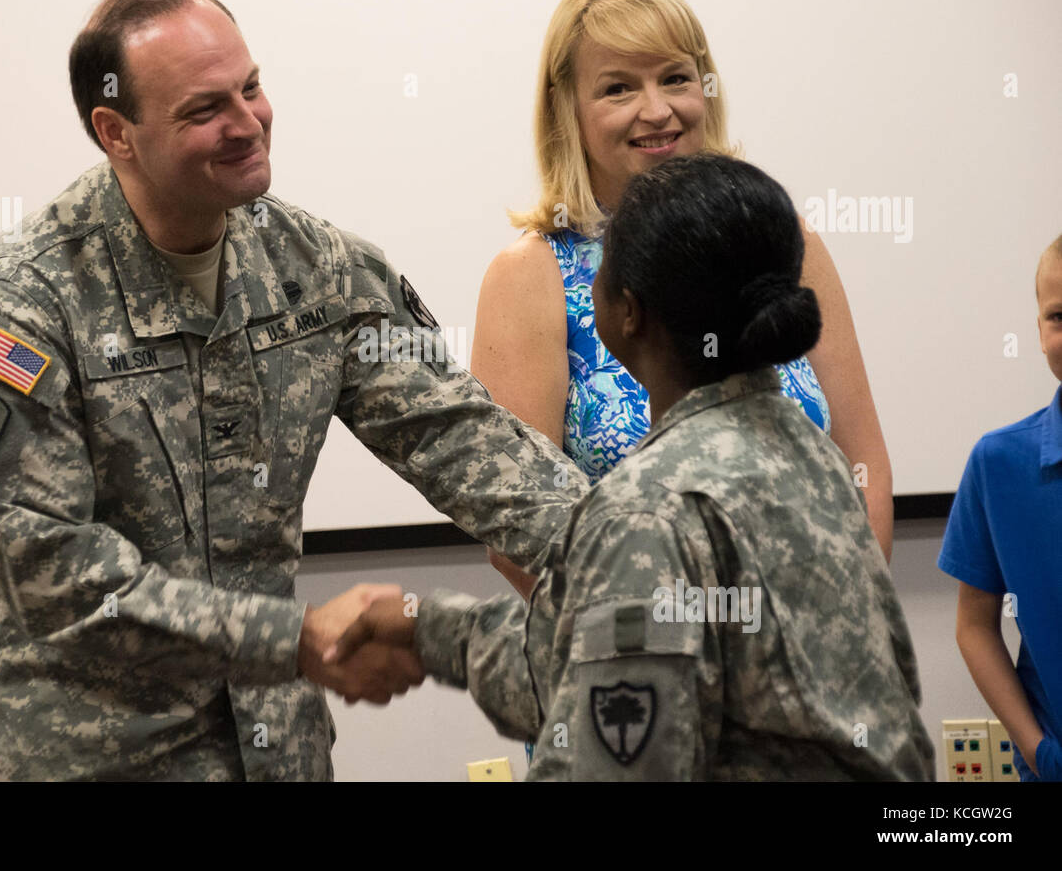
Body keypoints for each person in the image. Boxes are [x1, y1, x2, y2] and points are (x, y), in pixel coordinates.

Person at [0, 0, 588, 781]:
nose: (247, 124)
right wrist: (294, 639)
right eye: (205, 110)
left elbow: (472, 449)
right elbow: (50, 572)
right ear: (115, 131)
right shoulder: (18, 307)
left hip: (272, 753)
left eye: (253, 88)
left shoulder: (318, 269)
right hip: (86, 760)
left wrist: (646, 554)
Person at [329, 154, 935, 780]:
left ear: (626, 313)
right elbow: (614, 648)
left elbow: (614, 741)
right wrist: (429, 630)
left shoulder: (646, 508)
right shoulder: (815, 460)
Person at [474, 0, 894, 604]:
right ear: (568, 109)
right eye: (618, 88)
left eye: (674, 77)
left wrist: (845, 622)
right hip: (634, 672)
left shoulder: (785, 241)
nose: (657, 110)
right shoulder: (529, 276)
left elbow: (864, 469)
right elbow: (516, 528)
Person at [938, 233, 1062, 782]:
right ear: (1037, 331)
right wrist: (1038, 750)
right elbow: (975, 626)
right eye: (1059, 316)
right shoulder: (999, 463)